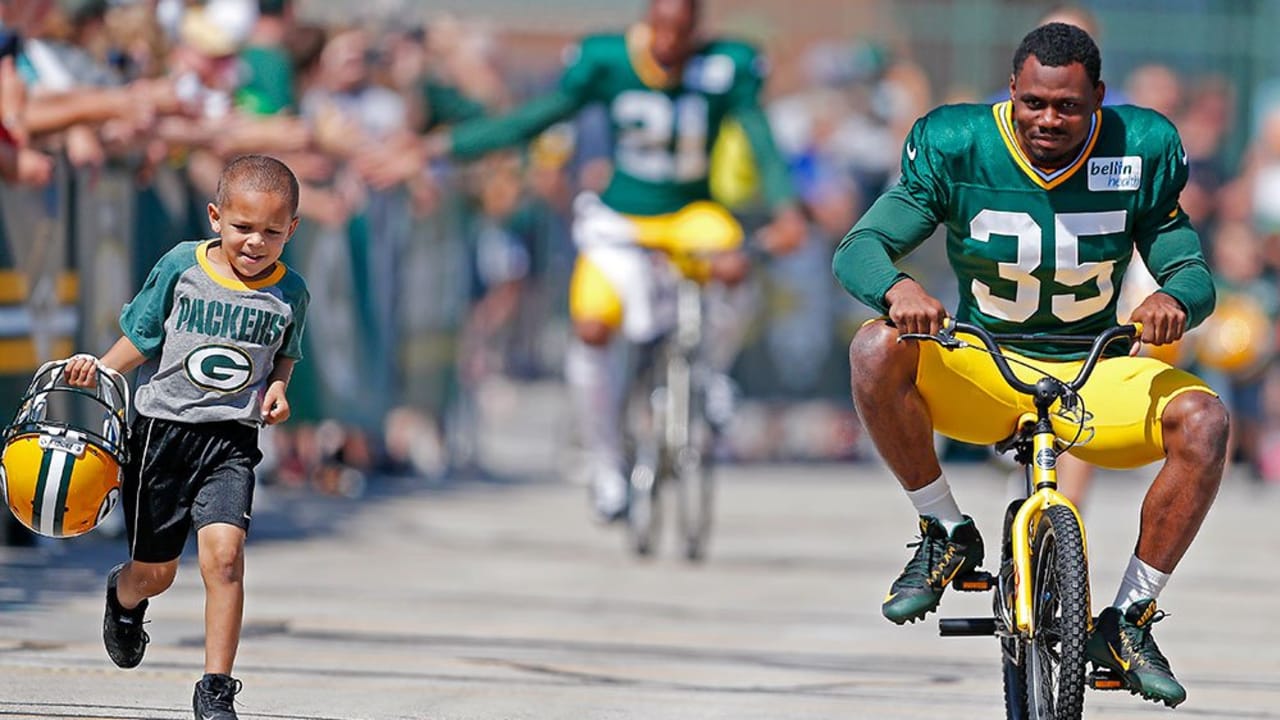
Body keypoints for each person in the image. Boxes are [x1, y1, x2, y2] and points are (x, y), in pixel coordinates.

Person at [833, 23, 1227, 708]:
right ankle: (945, 529)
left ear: (1098, 99)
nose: (1048, 119)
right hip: (982, 363)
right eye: (1034, 103)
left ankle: (1128, 618)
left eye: (1068, 107)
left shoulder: (1138, 148)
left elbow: (1190, 268)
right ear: (1012, 90)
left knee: (1205, 421)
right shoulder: (957, 143)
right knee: (875, 346)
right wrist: (899, 290)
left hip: (1093, 368)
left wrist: (1172, 297)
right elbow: (860, 245)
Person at [364, 0, 806, 520]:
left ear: (697, 29)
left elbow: (761, 138)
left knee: (734, 266)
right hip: (619, 215)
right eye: (660, 30)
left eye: (681, 33)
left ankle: (708, 373)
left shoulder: (727, 64)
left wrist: (786, 209)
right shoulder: (608, 58)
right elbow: (535, 117)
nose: (667, 47)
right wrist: (440, 147)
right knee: (593, 326)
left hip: (691, 210)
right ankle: (603, 462)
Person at [64, 154, 309, 720]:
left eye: (272, 232)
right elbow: (144, 335)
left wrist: (277, 388)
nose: (255, 243)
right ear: (216, 216)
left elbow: (287, 353)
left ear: (292, 229)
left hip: (230, 441)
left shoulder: (291, 291)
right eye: (243, 228)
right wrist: (101, 368)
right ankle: (123, 597)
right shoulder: (182, 266)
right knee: (157, 573)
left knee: (225, 559)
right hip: (162, 435)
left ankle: (216, 688)